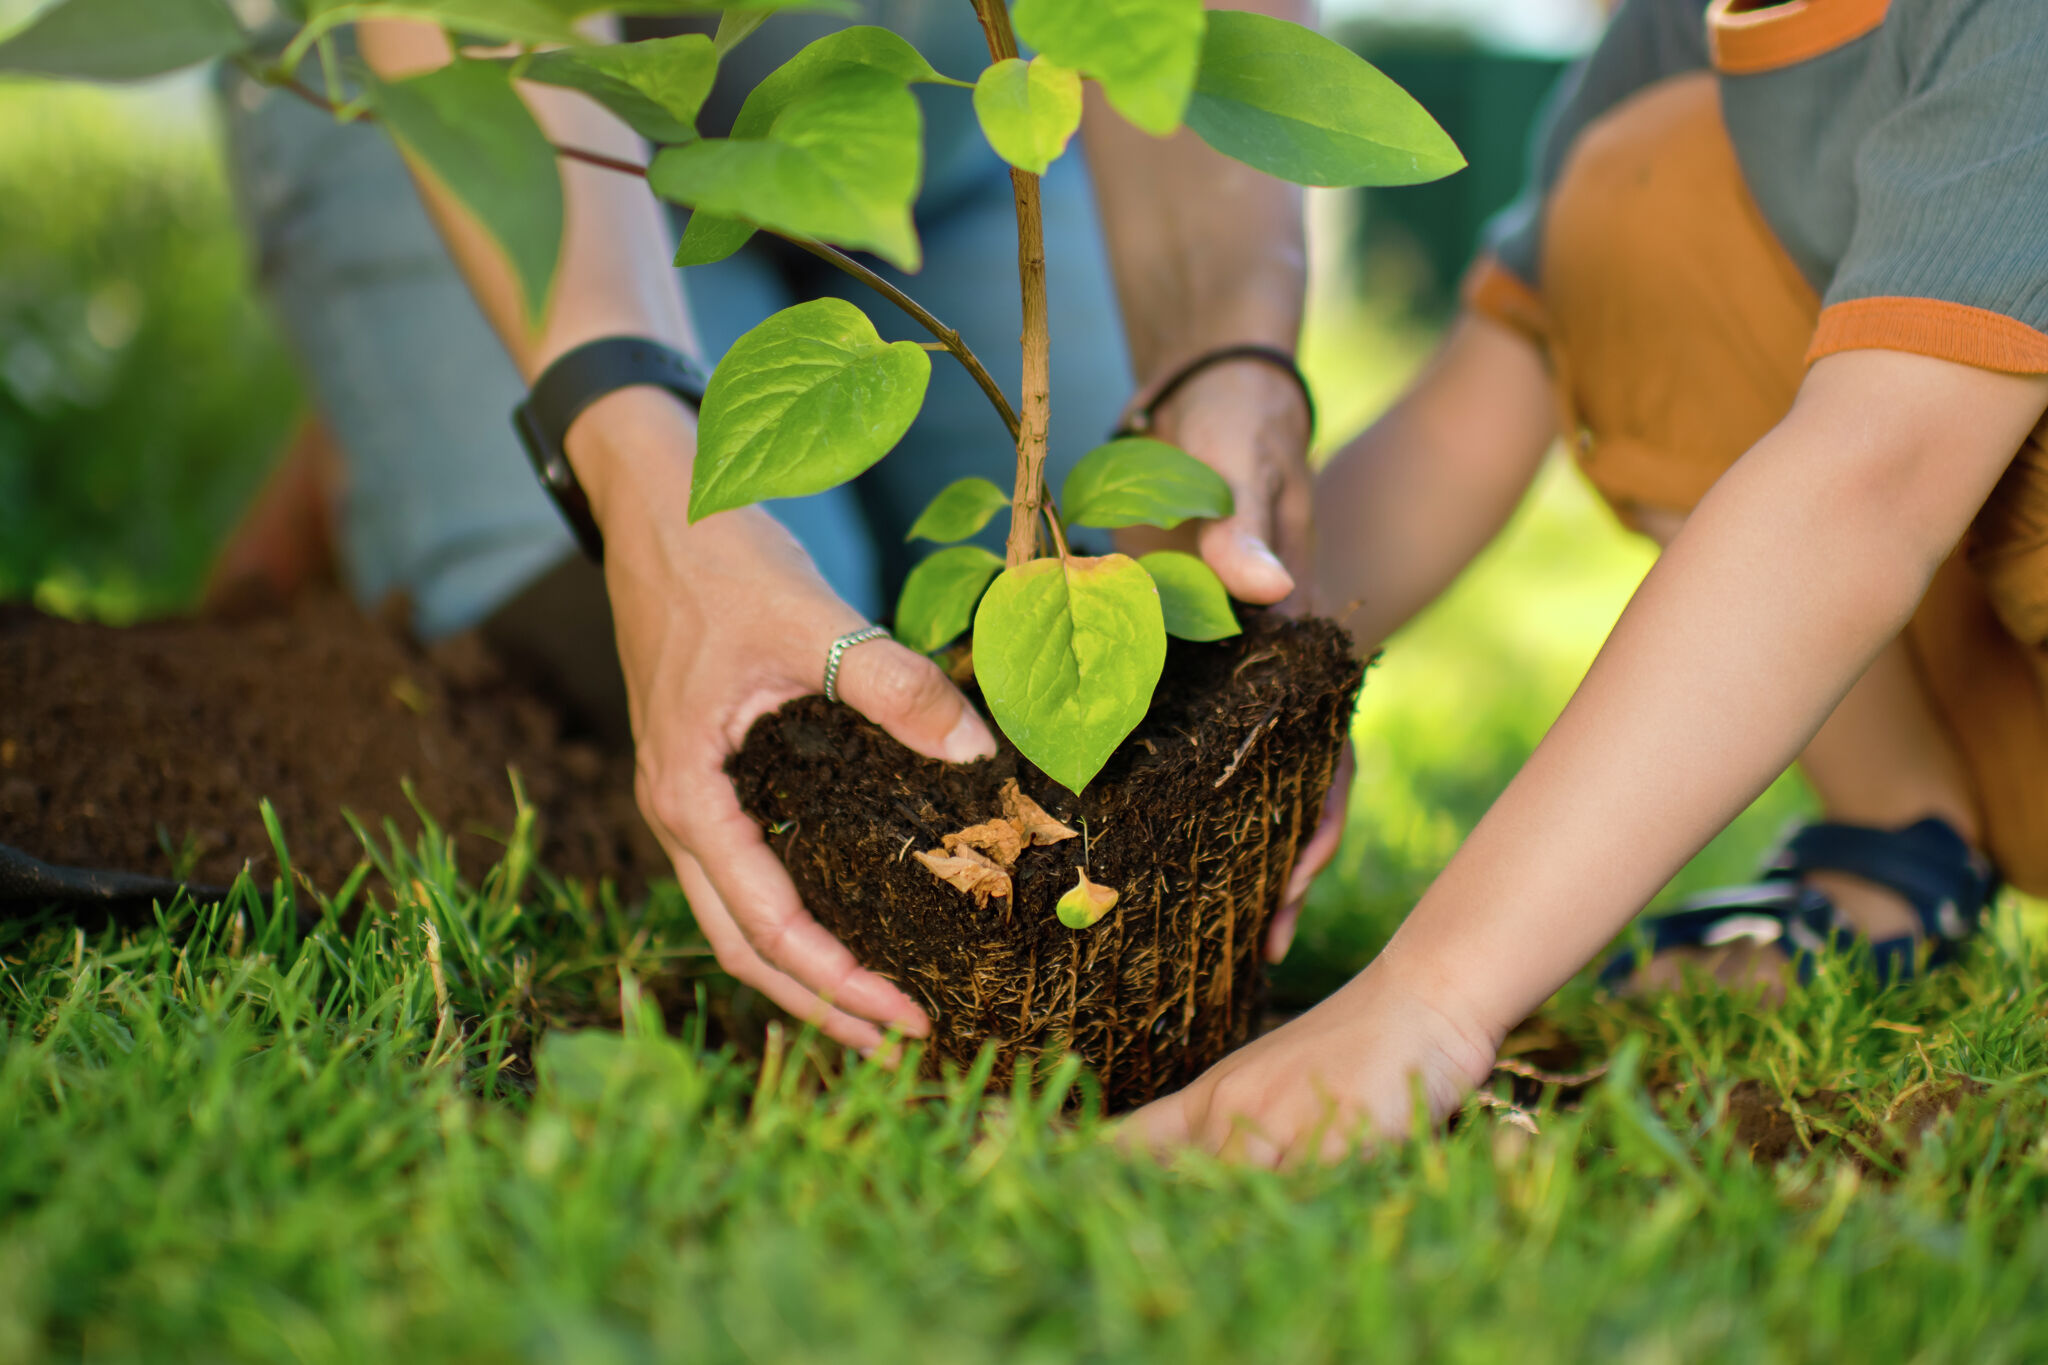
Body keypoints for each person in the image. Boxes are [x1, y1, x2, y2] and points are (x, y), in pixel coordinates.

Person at [213, 3, 1325, 1055]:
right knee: (726, 689)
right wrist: (628, 453)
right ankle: (416, 383)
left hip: (956, 130)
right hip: (509, 86)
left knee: (1124, 567)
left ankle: (482, 392)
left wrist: (1230, 362)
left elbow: (1184, 36)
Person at [1131, 0, 2048, 1163]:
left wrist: (1427, 999)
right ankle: (1896, 850)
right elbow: (1473, 415)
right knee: (1634, 190)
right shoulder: (1685, 26)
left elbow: (1868, 487)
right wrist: (1183, 691)